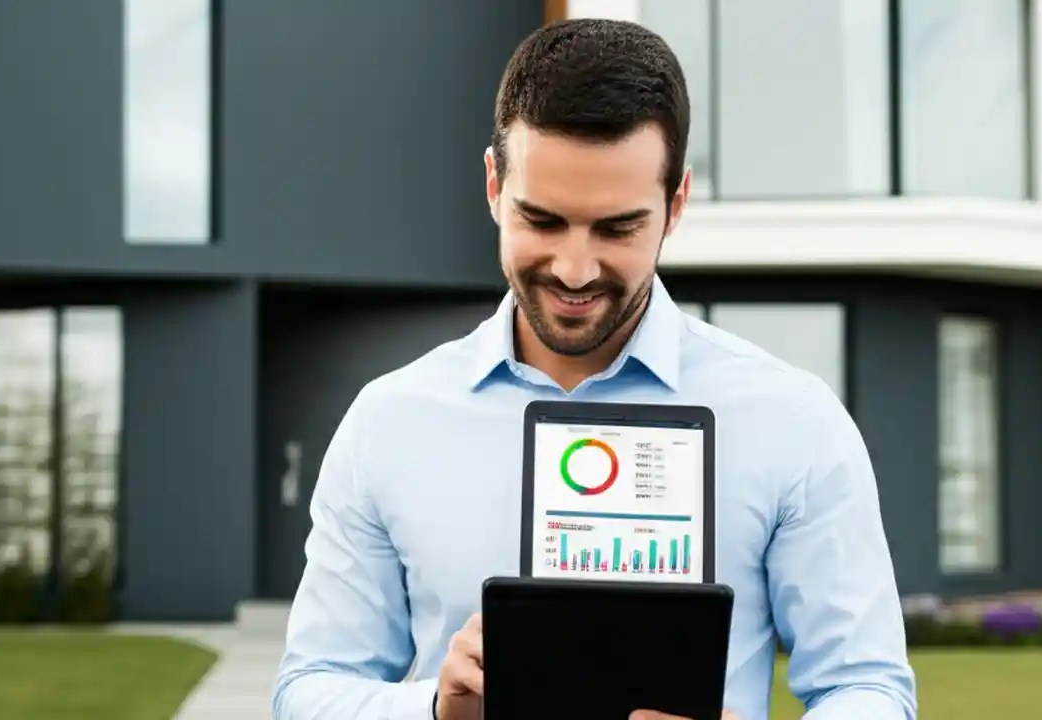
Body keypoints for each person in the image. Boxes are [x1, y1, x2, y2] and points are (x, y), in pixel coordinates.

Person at [272, 17, 917, 720]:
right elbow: (309, 688)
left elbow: (869, 688)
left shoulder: (794, 422)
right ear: (493, 186)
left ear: (675, 205)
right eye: (543, 221)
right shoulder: (388, 423)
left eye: (616, 228)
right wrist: (433, 709)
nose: (575, 270)